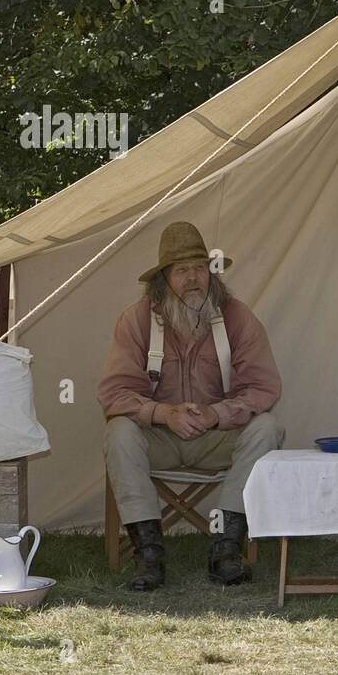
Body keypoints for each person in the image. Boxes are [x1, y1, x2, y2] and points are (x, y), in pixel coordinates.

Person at [98, 221, 284, 590]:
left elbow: (264, 387)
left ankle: (226, 551)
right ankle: (148, 557)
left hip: (217, 437)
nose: (193, 278)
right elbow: (114, 393)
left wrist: (218, 414)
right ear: (162, 279)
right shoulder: (135, 320)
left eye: (200, 267)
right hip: (158, 440)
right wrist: (163, 413)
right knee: (119, 431)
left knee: (267, 427)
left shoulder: (237, 317)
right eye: (181, 270)